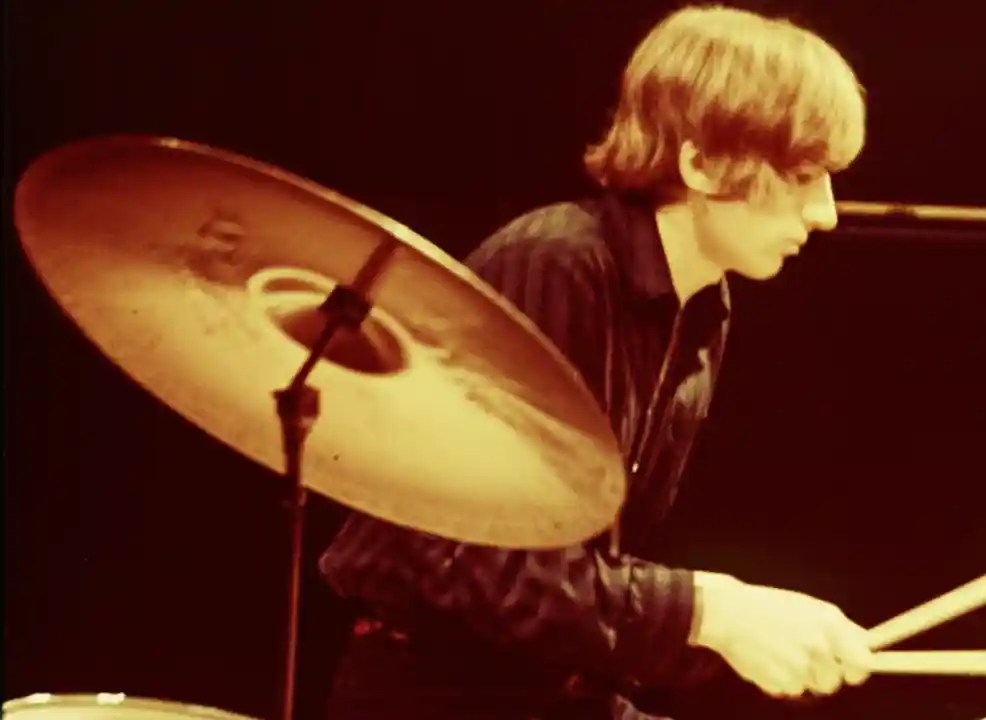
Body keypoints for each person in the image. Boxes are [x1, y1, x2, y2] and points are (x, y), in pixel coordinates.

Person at [318, 5, 870, 718]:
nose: (825, 212)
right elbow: (472, 569)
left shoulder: (702, 307)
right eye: (801, 174)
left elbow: (579, 592)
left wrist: (747, 632)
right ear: (700, 162)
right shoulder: (555, 265)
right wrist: (710, 611)